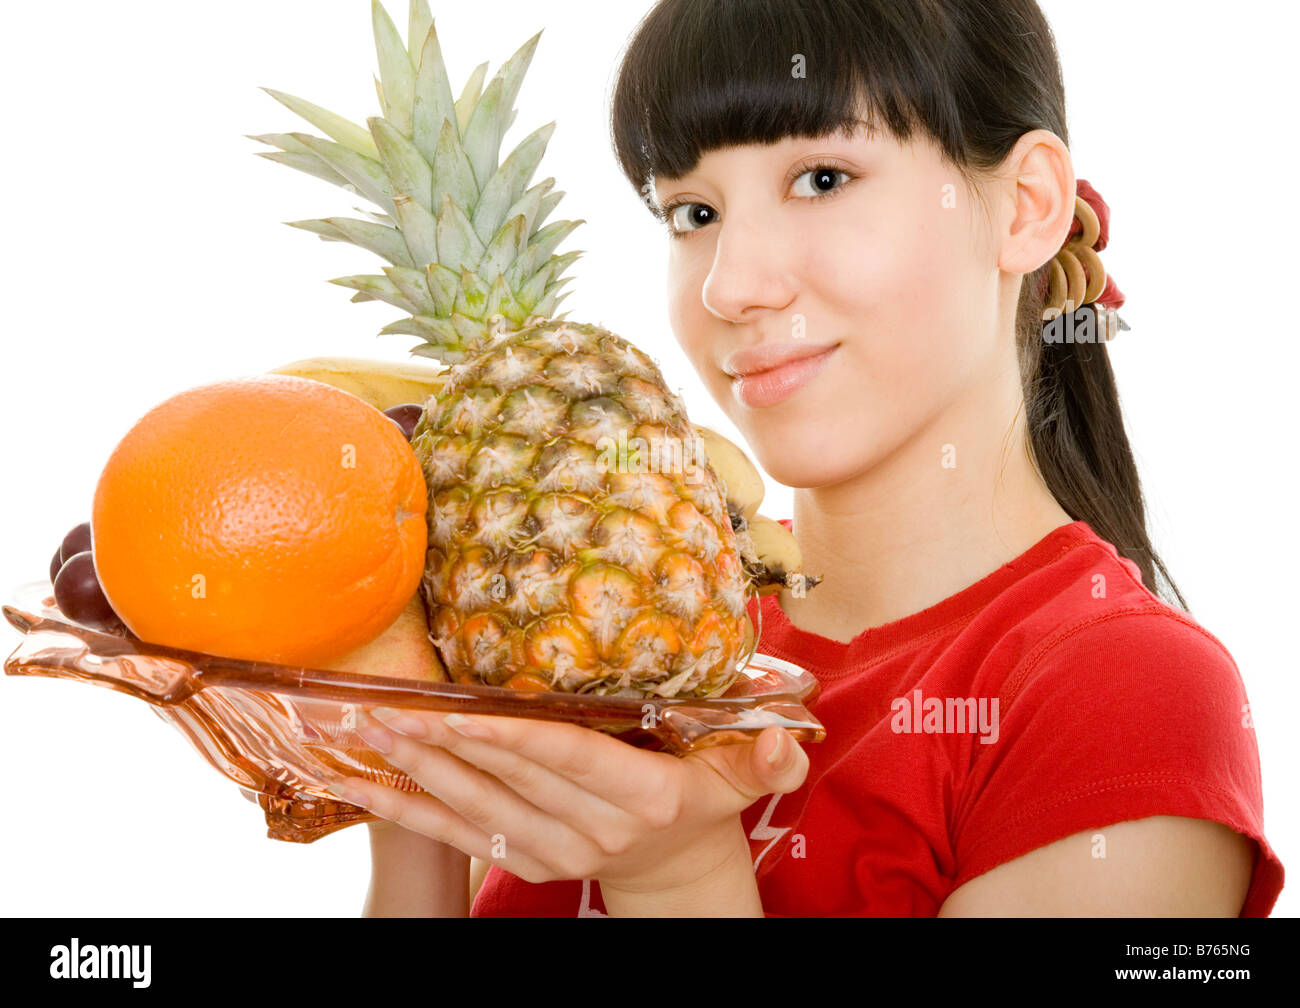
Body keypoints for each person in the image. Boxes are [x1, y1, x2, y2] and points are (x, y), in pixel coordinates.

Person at [331, 0, 1285, 917]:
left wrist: (675, 878)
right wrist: (408, 771)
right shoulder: (628, 611)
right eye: (692, 213)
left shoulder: (1127, 697)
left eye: (822, 179)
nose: (732, 286)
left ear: (1025, 206)